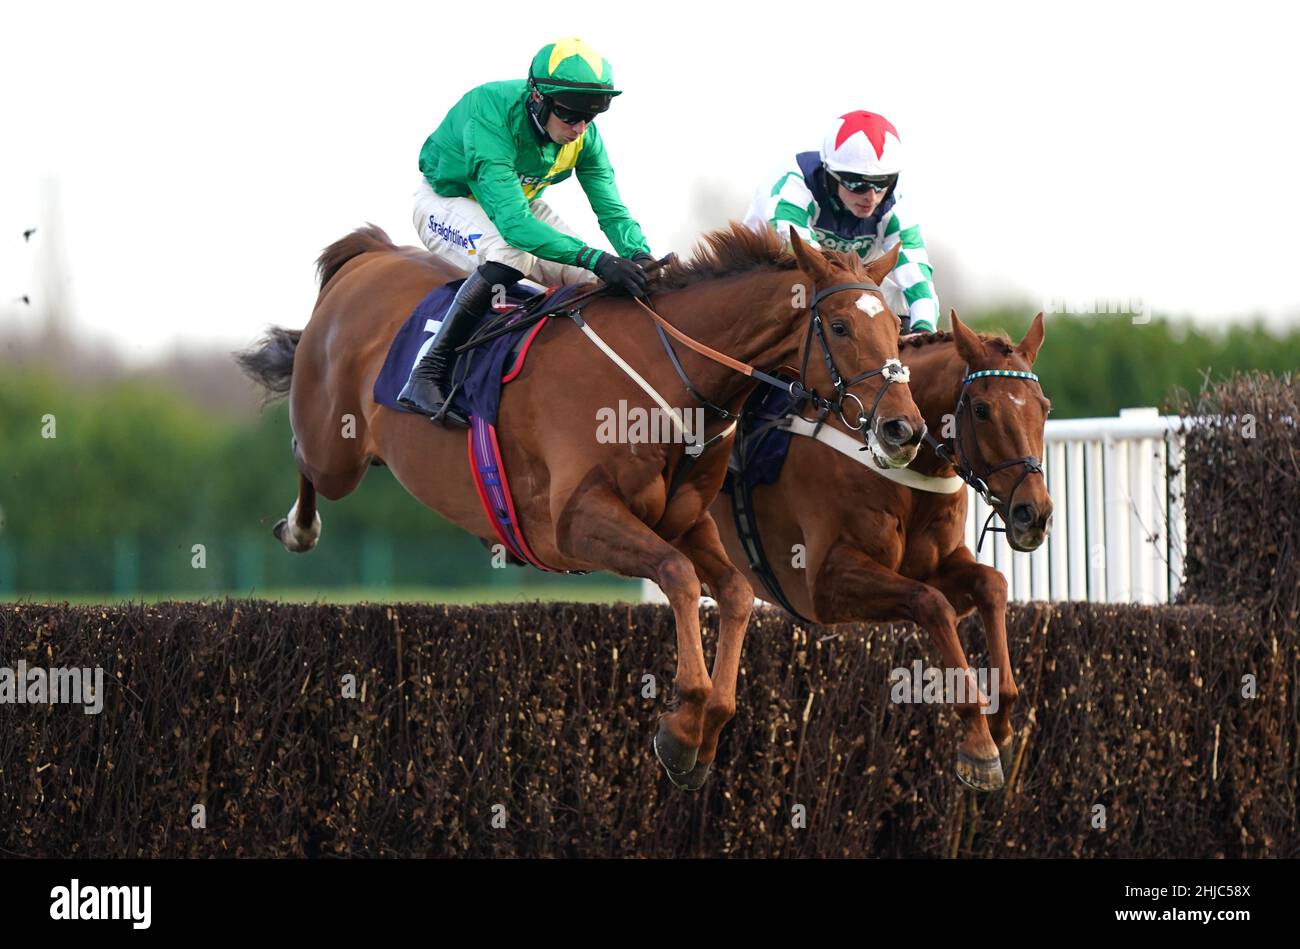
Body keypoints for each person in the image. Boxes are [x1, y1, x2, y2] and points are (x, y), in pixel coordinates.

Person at [401, 37, 655, 425]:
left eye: (590, 118)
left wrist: (638, 255)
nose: (579, 129)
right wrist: (598, 258)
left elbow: (611, 210)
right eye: (570, 116)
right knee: (513, 254)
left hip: (513, 200)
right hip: (447, 201)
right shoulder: (489, 112)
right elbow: (515, 226)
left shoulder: (584, 137)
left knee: (595, 278)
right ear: (538, 98)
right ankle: (427, 372)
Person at [743, 110, 938, 334]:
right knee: (804, 292)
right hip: (771, 278)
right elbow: (805, 257)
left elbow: (917, 277)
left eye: (883, 182)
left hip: (836, 281)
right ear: (830, 174)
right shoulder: (793, 184)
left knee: (896, 299)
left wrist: (923, 333)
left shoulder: (895, 206)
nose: (871, 196)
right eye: (857, 184)